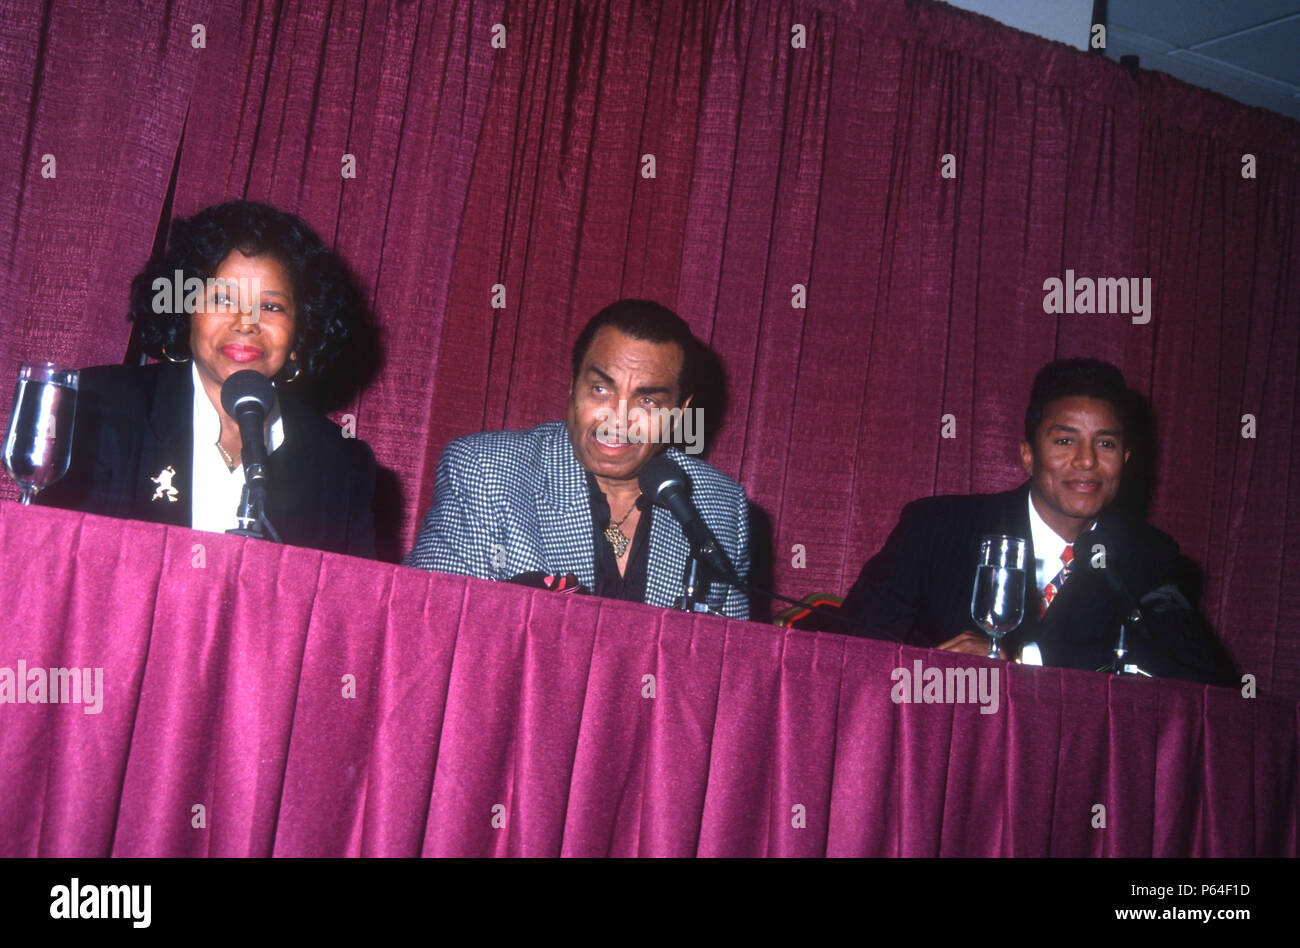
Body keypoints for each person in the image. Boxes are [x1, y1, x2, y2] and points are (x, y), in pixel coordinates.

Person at [834, 358, 1231, 684]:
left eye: (1105, 444)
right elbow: (850, 644)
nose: (1087, 461)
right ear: (1027, 455)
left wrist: (1021, 659)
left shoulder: (1148, 557)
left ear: (1124, 462)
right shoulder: (938, 527)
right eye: (1064, 440)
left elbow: (1198, 679)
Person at [38, 200, 377, 558]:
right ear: (186, 314)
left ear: (301, 334)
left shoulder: (340, 466)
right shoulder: (94, 410)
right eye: (222, 299)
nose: (246, 322)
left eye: (271, 306)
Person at [404, 299, 751, 619]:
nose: (618, 419)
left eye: (647, 402)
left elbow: (733, 667)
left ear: (679, 413)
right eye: (601, 390)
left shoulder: (719, 506)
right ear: (572, 387)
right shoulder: (483, 470)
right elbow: (428, 625)